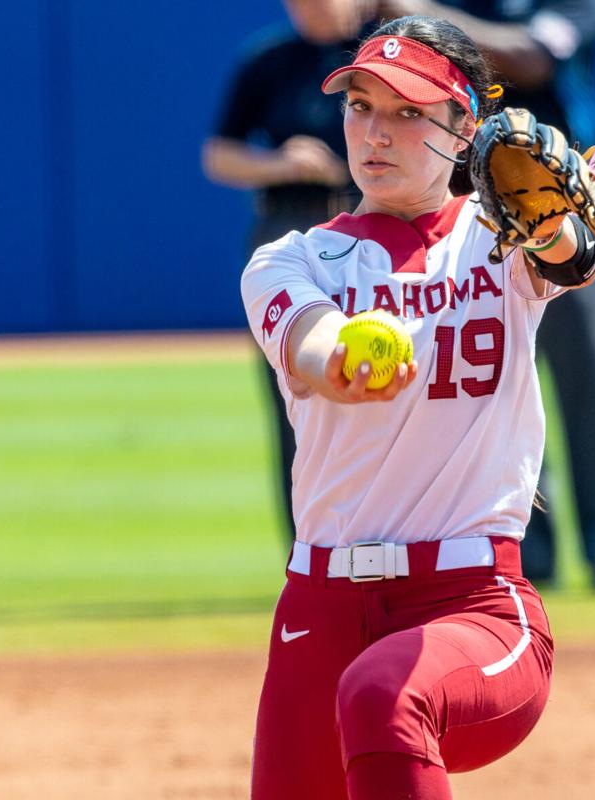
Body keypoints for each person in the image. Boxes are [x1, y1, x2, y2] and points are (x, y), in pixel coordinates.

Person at [240, 14, 595, 799]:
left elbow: (569, 256)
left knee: (385, 694)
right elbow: (314, 347)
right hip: (320, 610)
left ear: (462, 128)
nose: (377, 131)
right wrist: (341, 359)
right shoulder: (291, 260)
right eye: (361, 105)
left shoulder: (499, 240)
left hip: (473, 605)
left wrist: (553, 225)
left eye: (409, 111)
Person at [375, 0, 595, 592]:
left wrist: (422, 14)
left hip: (562, 191)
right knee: (484, 370)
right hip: (463, 192)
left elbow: (533, 58)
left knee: (586, 367)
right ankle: (523, 551)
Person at [203, 0, 373, 539]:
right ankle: (308, 547)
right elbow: (219, 155)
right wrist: (279, 163)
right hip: (288, 227)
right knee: (294, 396)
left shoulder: (386, 50)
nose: (309, 7)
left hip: (371, 222)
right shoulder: (269, 58)